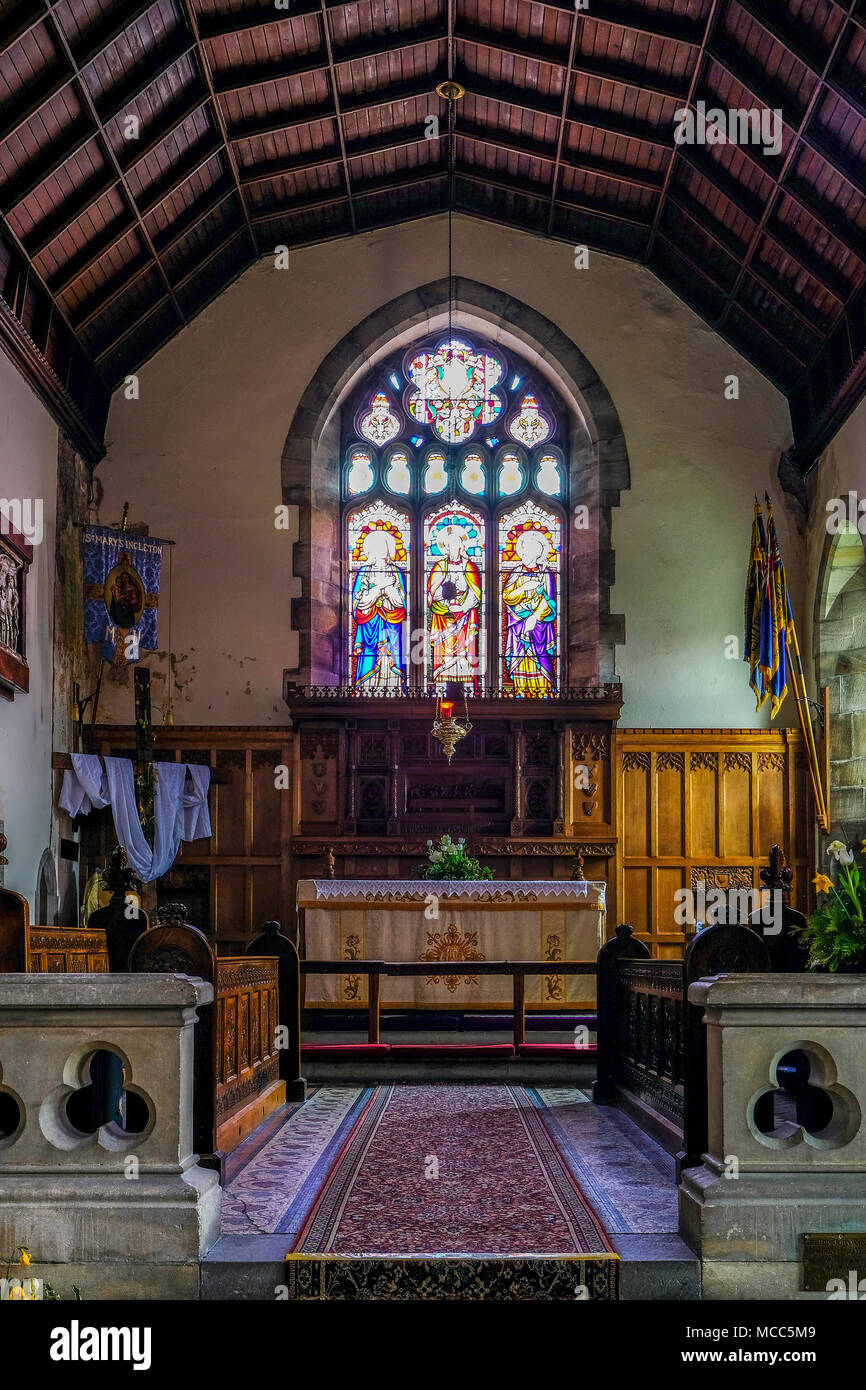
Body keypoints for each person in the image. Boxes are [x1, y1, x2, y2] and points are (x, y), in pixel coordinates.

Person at [350, 529, 407, 690]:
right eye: (377, 547)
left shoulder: (395, 572)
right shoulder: (364, 572)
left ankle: (393, 690)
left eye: (384, 546)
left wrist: (388, 591)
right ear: (370, 550)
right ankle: (366, 690)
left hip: (392, 626)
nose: (381, 550)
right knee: (369, 657)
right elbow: (359, 604)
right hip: (370, 624)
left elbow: (401, 604)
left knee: (390, 659)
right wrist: (382, 587)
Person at [502, 529, 557, 696]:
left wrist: (534, 616)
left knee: (540, 655)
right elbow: (507, 596)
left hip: (539, 625)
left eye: (530, 550)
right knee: (520, 656)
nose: (526, 553)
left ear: (537, 553)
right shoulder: (515, 573)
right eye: (524, 549)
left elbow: (550, 601)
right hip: (518, 624)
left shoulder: (545, 573)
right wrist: (523, 588)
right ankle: (520, 689)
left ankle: (543, 690)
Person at [426, 524, 482, 685]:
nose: (454, 548)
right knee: (445, 652)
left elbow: (475, 592)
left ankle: (466, 682)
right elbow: (432, 592)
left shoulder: (469, 566)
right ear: (445, 548)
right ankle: (442, 683)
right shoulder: (440, 566)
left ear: (462, 546)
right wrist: (447, 602)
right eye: (450, 545)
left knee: (463, 650)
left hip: (464, 615)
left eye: (457, 544)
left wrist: (463, 607)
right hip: (444, 615)